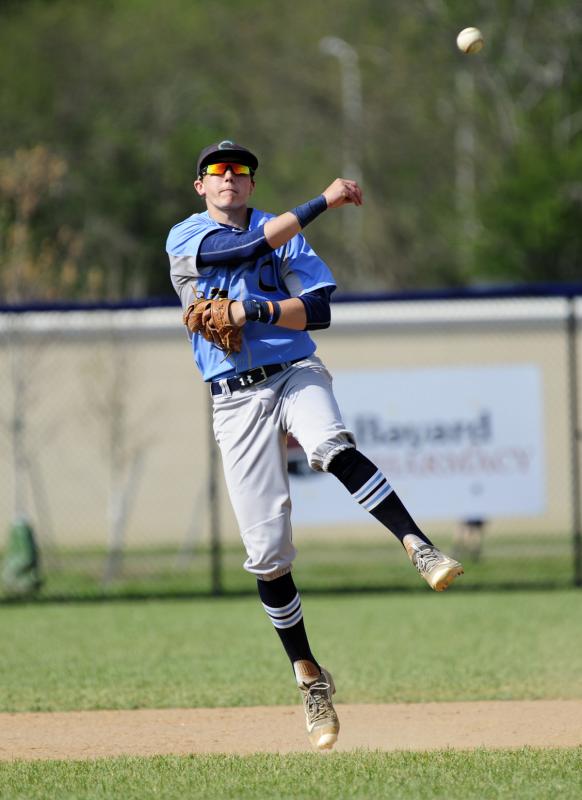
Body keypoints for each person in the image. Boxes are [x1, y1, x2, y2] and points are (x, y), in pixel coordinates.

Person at [166, 139, 464, 751]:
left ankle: (419, 545)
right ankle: (309, 675)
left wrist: (255, 310)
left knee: (329, 443)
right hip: (234, 397)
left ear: (251, 184)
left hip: (292, 371)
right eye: (216, 171)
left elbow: (319, 310)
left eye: (240, 171)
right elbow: (246, 247)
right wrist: (324, 201)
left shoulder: (285, 234)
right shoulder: (187, 236)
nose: (228, 178)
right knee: (268, 553)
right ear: (201, 186)